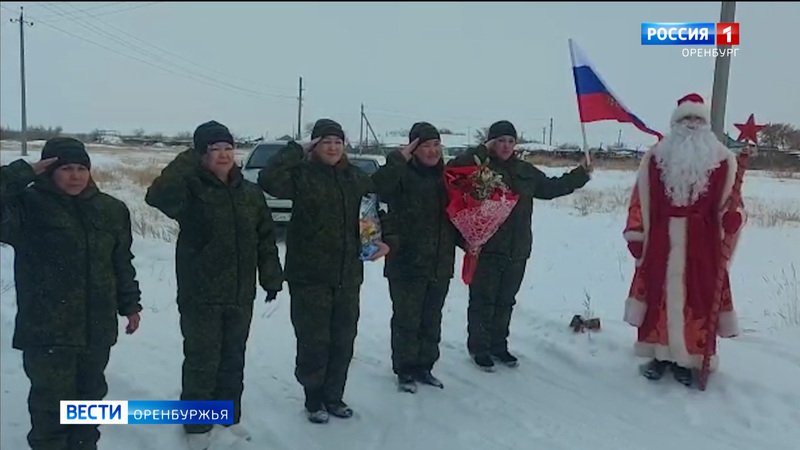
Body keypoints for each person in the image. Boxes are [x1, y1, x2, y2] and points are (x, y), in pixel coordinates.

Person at [145, 120, 283, 448]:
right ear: (200, 154)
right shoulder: (190, 188)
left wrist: (271, 276)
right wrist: (186, 160)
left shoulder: (249, 193)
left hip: (239, 291)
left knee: (233, 356)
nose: (222, 155)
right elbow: (156, 197)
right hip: (201, 292)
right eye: (213, 149)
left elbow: (264, 238)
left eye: (227, 148)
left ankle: (225, 414)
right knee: (202, 357)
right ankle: (196, 425)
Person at [0, 137, 143, 450]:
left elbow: (121, 262)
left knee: (88, 408)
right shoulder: (26, 208)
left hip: (96, 331)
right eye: (65, 168)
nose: (76, 175)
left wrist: (130, 304)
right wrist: (23, 171)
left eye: (81, 168)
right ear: (48, 171)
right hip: (47, 332)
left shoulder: (111, 210)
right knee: (51, 411)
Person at [258, 118, 390, 424]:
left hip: (347, 275)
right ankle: (313, 398)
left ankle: (334, 395)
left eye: (337, 142)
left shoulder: (356, 178)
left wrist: (384, 241)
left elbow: (374, 213)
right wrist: (296, 150)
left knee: (343, 339)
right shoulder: (300, 176)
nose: (332, 147)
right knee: (314, 339)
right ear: (315, 146)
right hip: (309, 276)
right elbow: (268, 179)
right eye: (325, 142)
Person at [622, 93, 747, 387]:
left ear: (705, 124)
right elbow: (639, 198)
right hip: (661, 240)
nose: (691, 124)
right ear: (675, 123)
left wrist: (734, 218)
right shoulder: (655, 157)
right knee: (658, 294)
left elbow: (733, 201)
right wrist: (636, 232)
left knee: (698, 298)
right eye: (686, 119)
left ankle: (689, 358)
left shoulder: (723, 160)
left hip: (702, 242)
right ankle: (659, 354)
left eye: (697, 119)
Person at [446, 120, 592, 371]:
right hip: (487, 248)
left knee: (506, 300)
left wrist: (580, 175)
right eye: (500, 141)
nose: (505, 146)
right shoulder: (478, 167)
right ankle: (479, 348)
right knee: (483, 300)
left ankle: (498, 346)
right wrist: (481, 151)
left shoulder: (525, 170)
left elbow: (550, 188)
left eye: (510, 141)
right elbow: (453, 169)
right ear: (490, 142)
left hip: (518, 248)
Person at [371, 122, 463, 392]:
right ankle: (405, 369)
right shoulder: (400, 175)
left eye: (436, 145)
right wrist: (399, 158)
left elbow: (454, 216)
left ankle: (425, 366)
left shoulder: (447, 177)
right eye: (425, 146)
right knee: (406, 319)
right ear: (413, 148)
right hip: (406, 261)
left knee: (431, 317)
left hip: (440, 261)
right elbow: (379, 188)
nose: (432, 151)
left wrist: (467, 240)